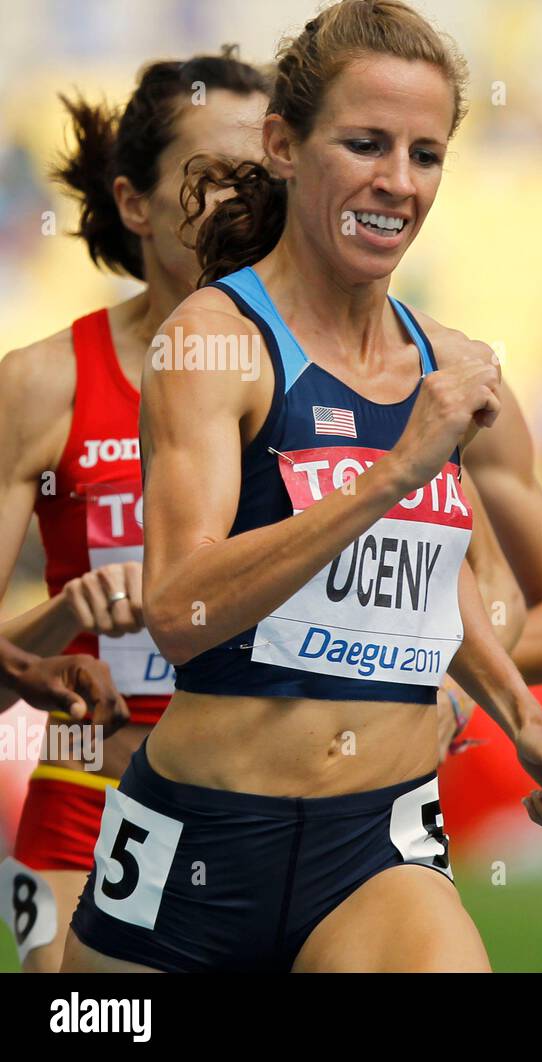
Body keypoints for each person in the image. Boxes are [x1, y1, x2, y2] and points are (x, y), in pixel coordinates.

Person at [62, 0, 542, 974]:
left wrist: (519, 715)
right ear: (284, 145)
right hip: (196, 848)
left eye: (425, 154)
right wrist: (396, 471)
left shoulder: (454, 364)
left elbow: (432, 587)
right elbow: (181, 610)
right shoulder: (214, 341)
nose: (398, 181)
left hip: (375, 845)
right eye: (364, 143)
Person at [0, 50, 269, 972]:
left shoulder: (341, 378)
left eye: (265, 177)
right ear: (135, 203)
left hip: (279, 807)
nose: (242, 203)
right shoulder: (43, 384)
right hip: (91, 795)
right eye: (212, 178)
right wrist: (65, 615)